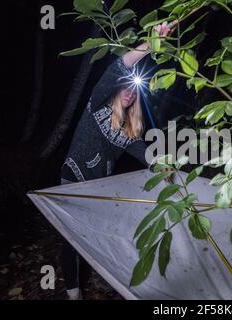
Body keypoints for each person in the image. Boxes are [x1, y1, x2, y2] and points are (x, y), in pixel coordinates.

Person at [60, 22, 175, 300]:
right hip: (74, 179)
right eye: (125, 86)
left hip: (99, 191)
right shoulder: (96, 104)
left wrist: (166, 168)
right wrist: (151, 43)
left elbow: (150, 156)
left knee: (100, 235)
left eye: (134, 90)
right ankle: (73, 293)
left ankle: (117, 280)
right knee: (70, 239)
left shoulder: (130, 133)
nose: (129, 92)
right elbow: (118, 67)